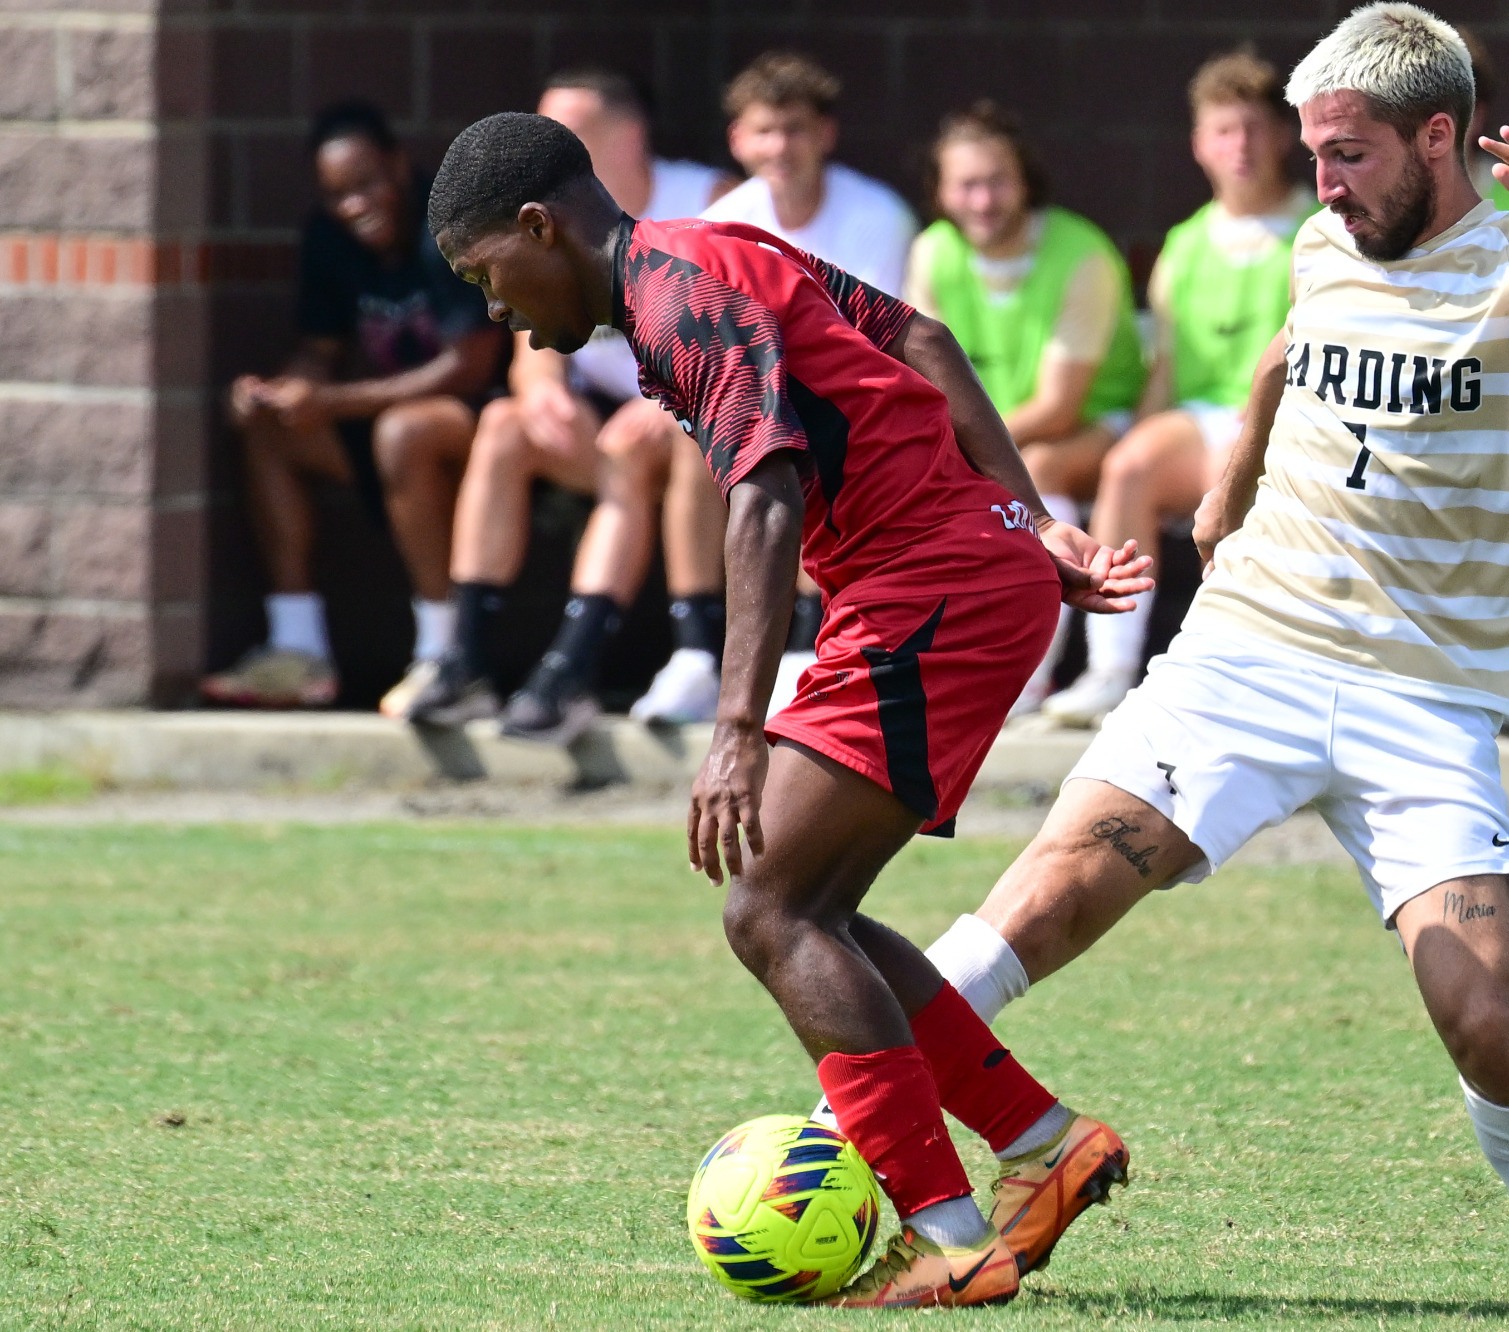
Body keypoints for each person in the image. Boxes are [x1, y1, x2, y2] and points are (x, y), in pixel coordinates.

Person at [906, 4, 1509, 1309]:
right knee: (1050, 893)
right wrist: (1225, 494)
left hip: (1425, 697)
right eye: (1313, 151)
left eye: (1347, 153)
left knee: (1483, 1010)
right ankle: (852, 1141)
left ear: (1438, 135)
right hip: (1251, 653)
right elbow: (1290, 350)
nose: (1321, 181)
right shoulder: (1324, 240)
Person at [428, 111, 1152, 1306]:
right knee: (813, 907)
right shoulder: (712, 249)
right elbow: (919, 336)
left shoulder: (671, 298)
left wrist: (731, 729)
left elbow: (761, 493)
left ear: (536, 227)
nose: (496, 311)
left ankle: (950, 1238)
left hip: (931, 591)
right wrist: (1032, 525)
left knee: (767, 910)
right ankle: (1040, 1143)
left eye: (484, 278)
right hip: (945, 577)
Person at [402, 68, 729, 740]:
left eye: (567, 134)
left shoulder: (711, 202)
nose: (544, 150)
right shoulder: (550, 217)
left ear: (629, 136)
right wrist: (545, 392)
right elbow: (533, 337)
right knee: (503, 423)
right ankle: (461, 662)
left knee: (631, 451)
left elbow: (738, 336)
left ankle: (574, 671)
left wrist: (674, 397)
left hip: (704, 432)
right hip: (613, 431)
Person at [1039, 50, 1316, 726]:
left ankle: (1242, 682)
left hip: (1286, 426)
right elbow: (1163, 373)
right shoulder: (1185, 244)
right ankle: (1110, 673)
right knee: (1129, 465)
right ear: (1199, 143)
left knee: (1238, 480)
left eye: (1253, 128)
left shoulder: (1318, 229)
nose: (1240, 146)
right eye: (1224, 130)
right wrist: (1130, 439)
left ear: (1284, 137)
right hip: (1199, 423)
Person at [648, 49, 922, 723]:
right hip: (748, 399)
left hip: (853, 405)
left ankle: (805, 645)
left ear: (824, 134)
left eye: (795, 129)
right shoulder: (723, 222)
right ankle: (693, 652)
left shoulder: (879, 216)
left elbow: (879, 341)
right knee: (691, 443)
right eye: (764, 130)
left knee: (798, 442)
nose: (780, 147)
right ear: (739, 140)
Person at [205, 101, 506, 710]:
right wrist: (281, 392)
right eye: (338, 194)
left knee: (404, 433)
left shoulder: (448, 223)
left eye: (366, 185)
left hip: (488, 423)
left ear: (399, 165)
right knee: (271, 431)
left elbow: (468, 366)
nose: (353, 207)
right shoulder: (327, 236)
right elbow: (319, 350)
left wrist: (334, 400)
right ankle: (299, 651)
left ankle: (448, 658)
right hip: (383, 421)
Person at [903, 100, 1148, 718]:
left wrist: (964, 449)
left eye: (997, 181)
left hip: (1104, 425)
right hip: (996, 439)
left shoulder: (1081, 253)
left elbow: (1061, 409)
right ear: (941, 191)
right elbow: (919, 381)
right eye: (967, 184)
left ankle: (1038, 672)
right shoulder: (931, 252)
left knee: (1033, 469)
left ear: (1024, 181)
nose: (982, 201)